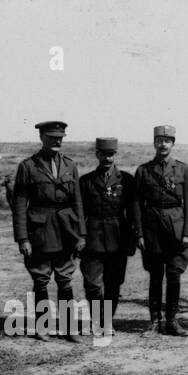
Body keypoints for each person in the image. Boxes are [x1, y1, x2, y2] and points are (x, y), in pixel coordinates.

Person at [11, 120, 86, 342]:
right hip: (40, 231)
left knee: (65, 279)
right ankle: (42, 326)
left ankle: (69, 328)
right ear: (42, 138)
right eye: (53, 137)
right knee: (41, 279)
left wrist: (81, 233)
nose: (57, 141)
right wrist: (23, 238)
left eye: (61, 137)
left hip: (66, 230)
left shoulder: (70, 165)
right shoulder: (28, 166)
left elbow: (78, 202)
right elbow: (19, 204)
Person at [132, 125, 188, 336]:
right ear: (154, 143)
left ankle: (172, 321)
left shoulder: (183, 170)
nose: (163, 144)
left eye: (167, 141)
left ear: (173, 144)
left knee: (174, 276)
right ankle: (154, 322)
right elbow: (136, 205)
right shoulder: (143, 171)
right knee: (154, 276)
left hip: (176, 231)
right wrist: (139, 234)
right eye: (159, 140)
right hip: (152, 231)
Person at [78, 137, 136, 341]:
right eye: (103, 154)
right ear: (97, 154)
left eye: (110, 154)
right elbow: (79, 213)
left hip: (118, 239)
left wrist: (135, 236)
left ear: (115, 155)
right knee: (92, 284)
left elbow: (133, 211)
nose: (107, 158)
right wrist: (81, 236)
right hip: (92, 240)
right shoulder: (85, 182)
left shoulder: (127, 180)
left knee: (113, 284)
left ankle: (107, 321)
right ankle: (97, 319)